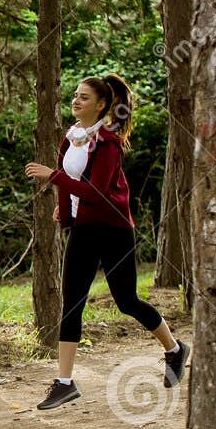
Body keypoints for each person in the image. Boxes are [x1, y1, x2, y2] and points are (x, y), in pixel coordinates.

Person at [24, 74, 189, 411]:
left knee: (127, 301)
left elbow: (97, 192)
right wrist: (66, 214)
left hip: (113, 229)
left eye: (84, 97)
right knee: (72, 303)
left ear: (101, 105)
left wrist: (51, 175)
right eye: (75, 95)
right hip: (83, 229)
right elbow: (70, 184)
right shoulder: (71, 139)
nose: (76, 101)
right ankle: (65, 382)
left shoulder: (108, 143)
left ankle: (174, 349)